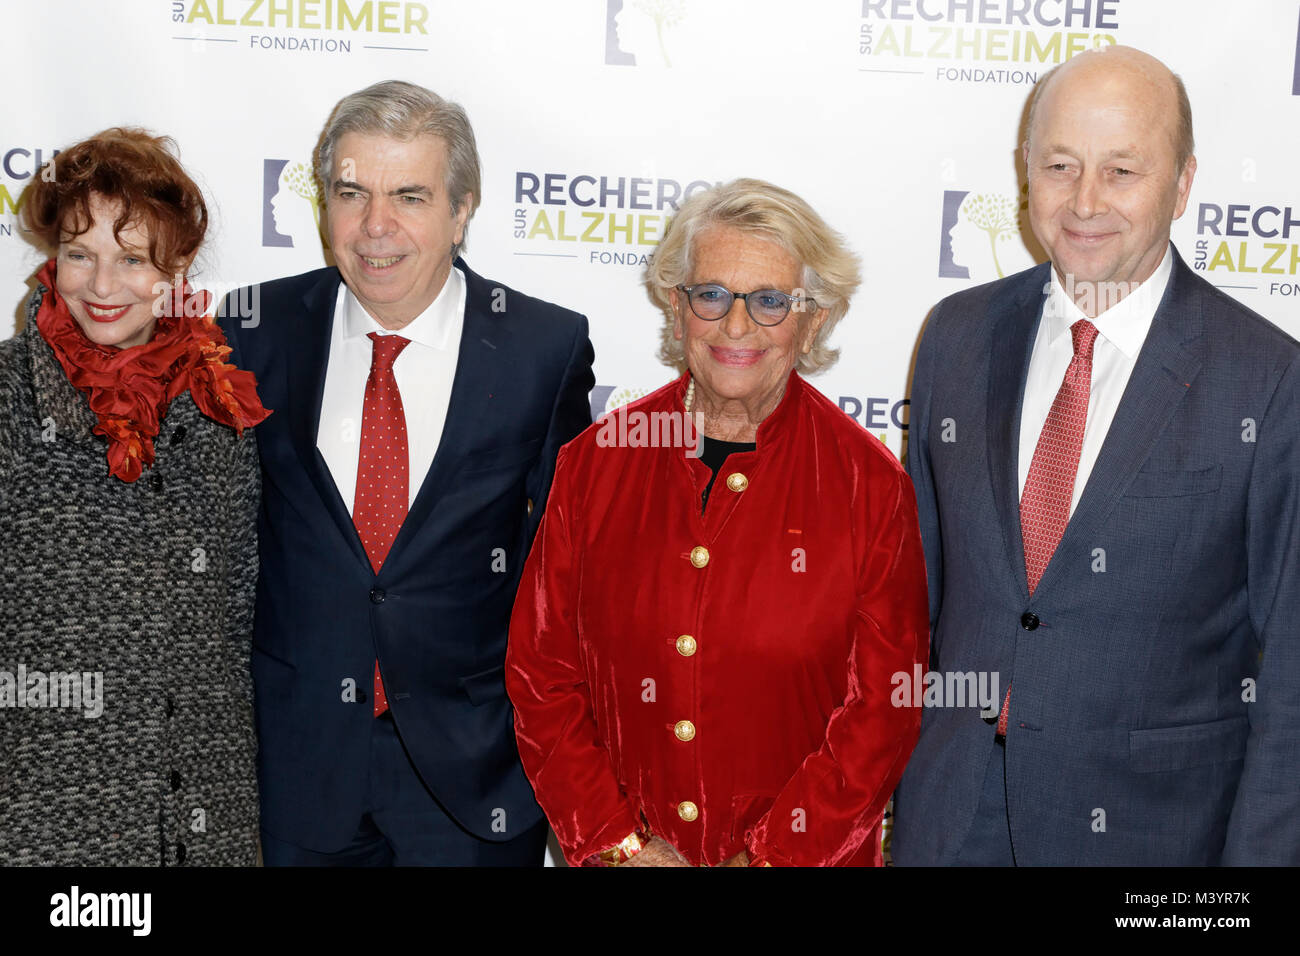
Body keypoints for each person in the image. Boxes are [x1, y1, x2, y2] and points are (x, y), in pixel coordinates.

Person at [893, 46, 1300, 866]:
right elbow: (916, 601)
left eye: (1122, 171)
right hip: (951, 816)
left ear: (1183, 184)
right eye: (1060, 165)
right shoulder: (955, 338)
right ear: (1025, 171)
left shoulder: (1269, 381)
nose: (1084, 202)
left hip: (1154, 840)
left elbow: (1292, 677)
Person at [218, 80, 594, 866]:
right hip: (293, 771)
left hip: (475, 782)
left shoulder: (541, 350)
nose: (375, 227)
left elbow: (568, 576)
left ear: (462, 211)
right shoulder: (251, 329)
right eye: (351, 193)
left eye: (410, 197)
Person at [505, 178, 929, 867]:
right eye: (711, 296)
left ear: (813, 319)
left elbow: (883, 711)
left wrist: (770, 857)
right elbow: (541, 674)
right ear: (678, 309)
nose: (736, 327)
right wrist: (620, 845)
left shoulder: (869, 486)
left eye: (769, 302)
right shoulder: (594, 464)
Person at [0, 128, 269, 865]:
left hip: (207, 823)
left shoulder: (221, 413)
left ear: (175, 268)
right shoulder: (10, 397)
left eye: (132, 259)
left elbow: (234, 627)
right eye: (80, 254)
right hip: (44, 826)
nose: (102, 285)